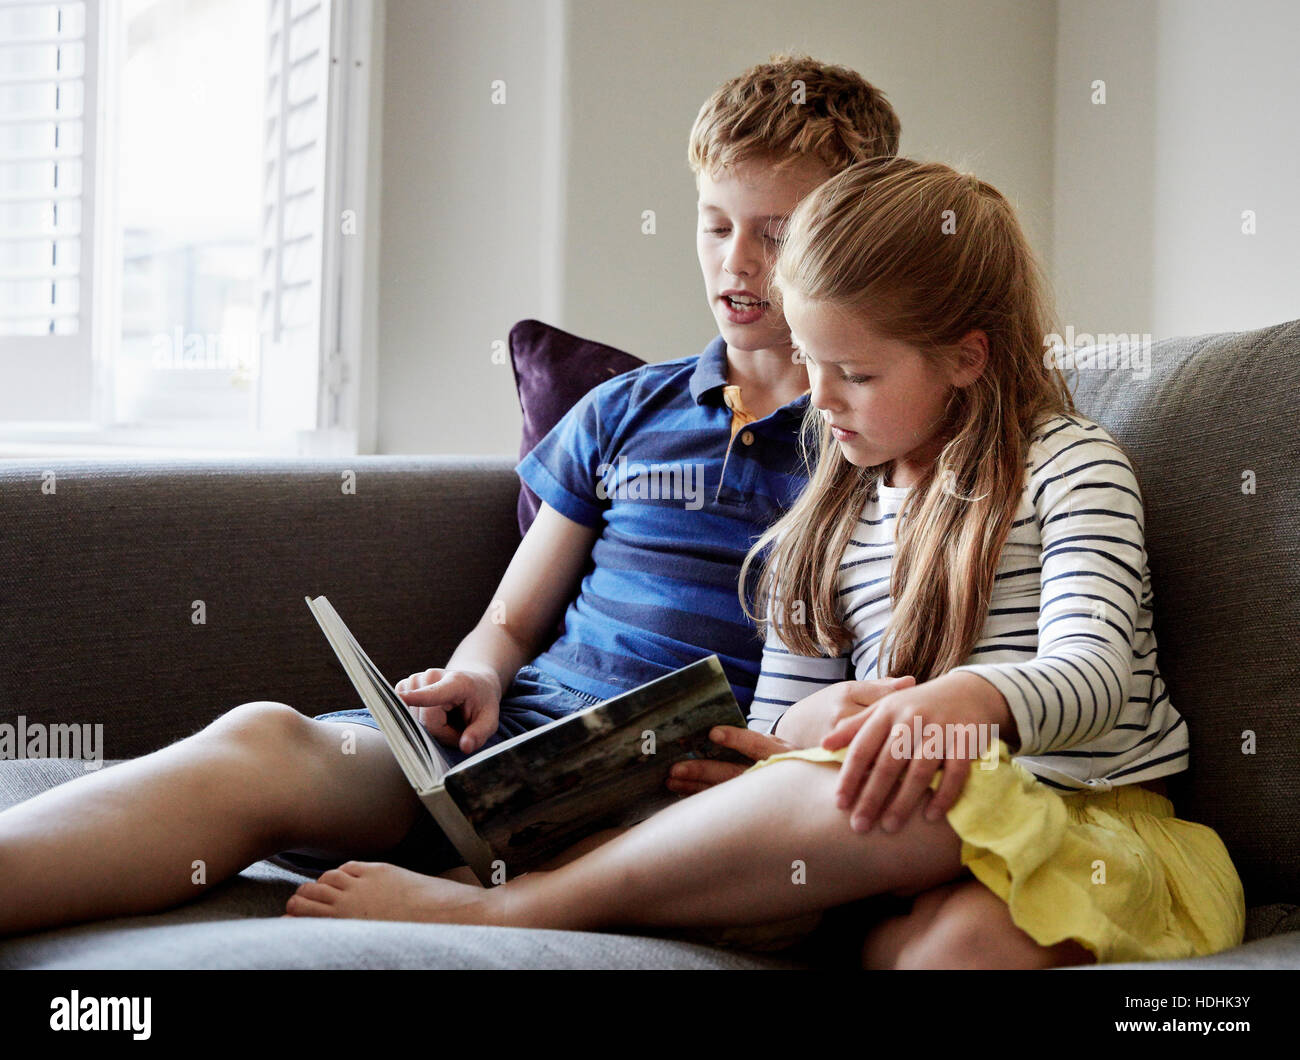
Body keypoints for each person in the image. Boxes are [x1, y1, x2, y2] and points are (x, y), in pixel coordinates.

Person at [0, 55, 907, 937]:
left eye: (775, 233)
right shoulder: (626, 410)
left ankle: (510, 886)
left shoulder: (882, 434)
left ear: (850, 237)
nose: (736, 262)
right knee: (264, 739)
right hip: (520, 741)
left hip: (699, 795)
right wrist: (476, 673)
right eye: (716, 225)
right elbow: (511, 623)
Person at [281, 157, 1247, 969]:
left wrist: (961, 706)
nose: (819, 401)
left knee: (955, 918)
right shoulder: (822, 516)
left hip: (1082, 815)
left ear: (966, 356)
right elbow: (781, 727)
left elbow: (1093, 674)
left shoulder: (1071, 465)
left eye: (856, 374)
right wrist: (786, 743)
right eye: (811, 360)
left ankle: (513, 908)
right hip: (883, 829)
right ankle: (562, 890)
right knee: (847, 812)